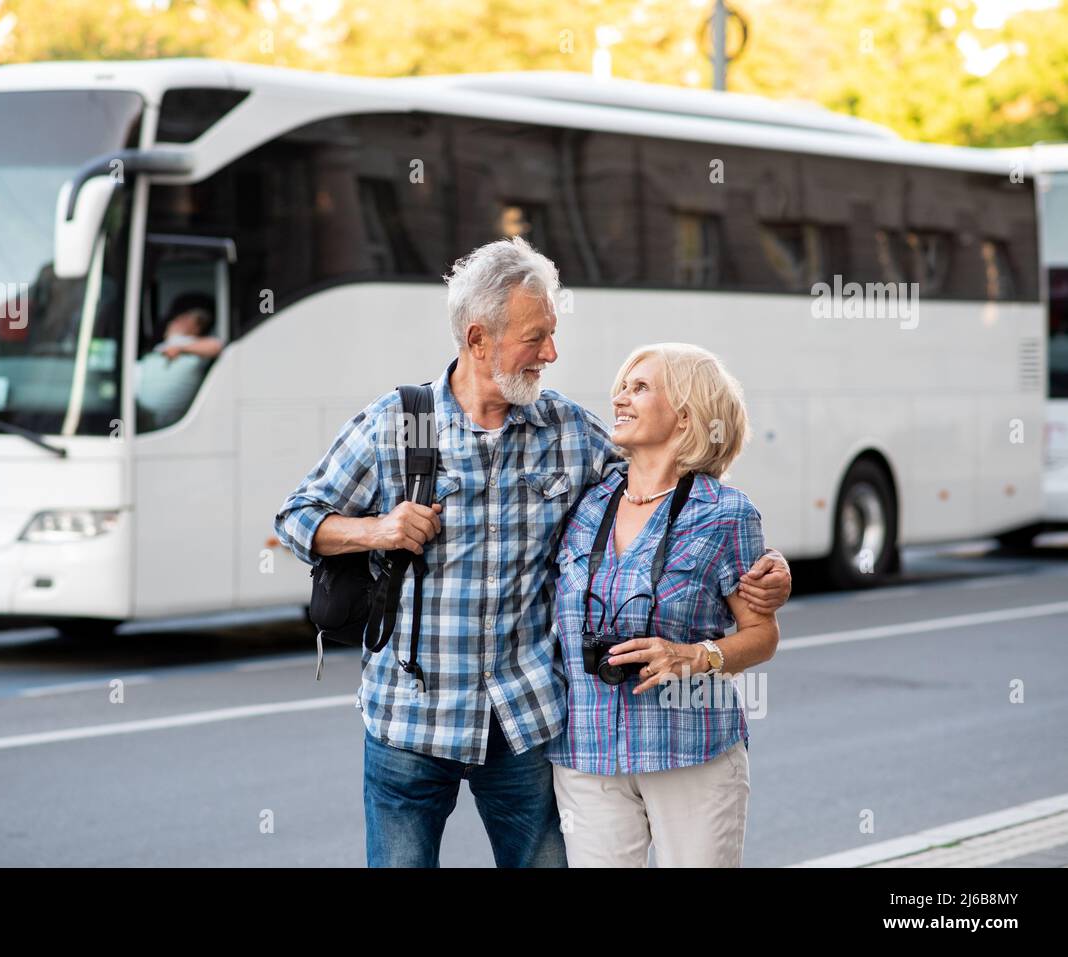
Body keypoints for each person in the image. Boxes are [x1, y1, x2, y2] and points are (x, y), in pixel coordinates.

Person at [273, 237, 793, 868]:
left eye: (552, 333)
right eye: (535, 337)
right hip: (408, 721)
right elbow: (297, 518)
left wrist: (765, 570)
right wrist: (376, 530)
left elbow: (673, 486)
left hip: (523, 721)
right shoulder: (395, 423)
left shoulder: (570, 432)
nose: (552, 352)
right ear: (477, 337)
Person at [547, 342, 779, 867]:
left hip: (690, 752)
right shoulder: (586, 502)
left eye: (640, 387)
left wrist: (696, 657)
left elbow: (762, 635)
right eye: (622, 386)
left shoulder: (726, 515)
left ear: (686, 414)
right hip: (587, 754)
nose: (619, 398)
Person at [135, 294, 223, 428]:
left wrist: (181, 349)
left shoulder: (194, 348)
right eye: (177, 318)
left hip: (167, 424)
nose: (176, 321)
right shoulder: (157, 349)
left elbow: (216, 346)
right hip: (138, 415)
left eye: (185, 319)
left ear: (197, 328)